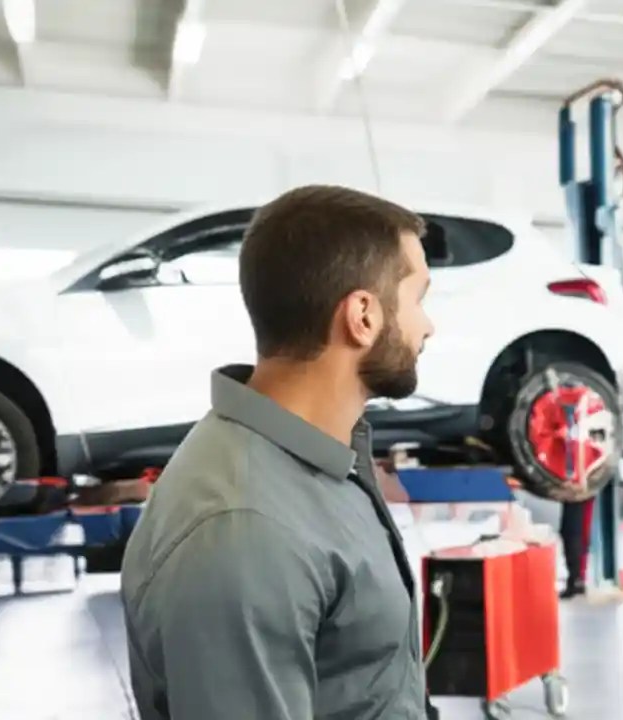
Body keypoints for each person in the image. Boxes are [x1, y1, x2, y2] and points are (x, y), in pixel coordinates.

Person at [121, 185, 435, 720]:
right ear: (363, 314)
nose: (429, 325)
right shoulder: (245, 529)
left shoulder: (320, 459)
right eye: (418, 299)